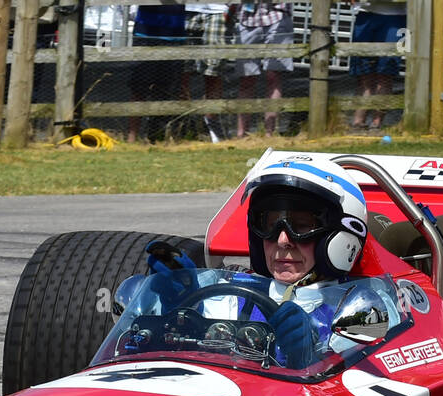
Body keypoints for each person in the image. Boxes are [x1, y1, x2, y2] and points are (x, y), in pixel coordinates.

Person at [139, 158, 373, 369]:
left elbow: (363, 392)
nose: (282, 240)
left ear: (339, 236)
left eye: (301, 226)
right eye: (269, 225)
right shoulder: (236, 297)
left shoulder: (362, 306)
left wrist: (312, 358)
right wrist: (180, 308)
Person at [128, 3, 188, 143]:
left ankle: (157, 137)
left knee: (166, 90)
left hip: (175, 35)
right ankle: (132, 138)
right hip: (146, 33)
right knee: (139, 87)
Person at [235, 3, 294, 137]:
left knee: (273, 76)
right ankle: (241, 134)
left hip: (277, 16)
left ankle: (269, 134)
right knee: (246, 78)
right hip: (247, 18)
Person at [350, 1, 407, 132]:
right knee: (363, 73)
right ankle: (358, 122)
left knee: (386, 73)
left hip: (397, 17)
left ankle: (376, 124)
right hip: (365, 14)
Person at [183, 4, 230, 141]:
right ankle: (184, 124)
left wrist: (228, 9)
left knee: (213, 71)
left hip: (217, 9)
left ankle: (212, 128)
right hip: (186, 9)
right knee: (182, 70)